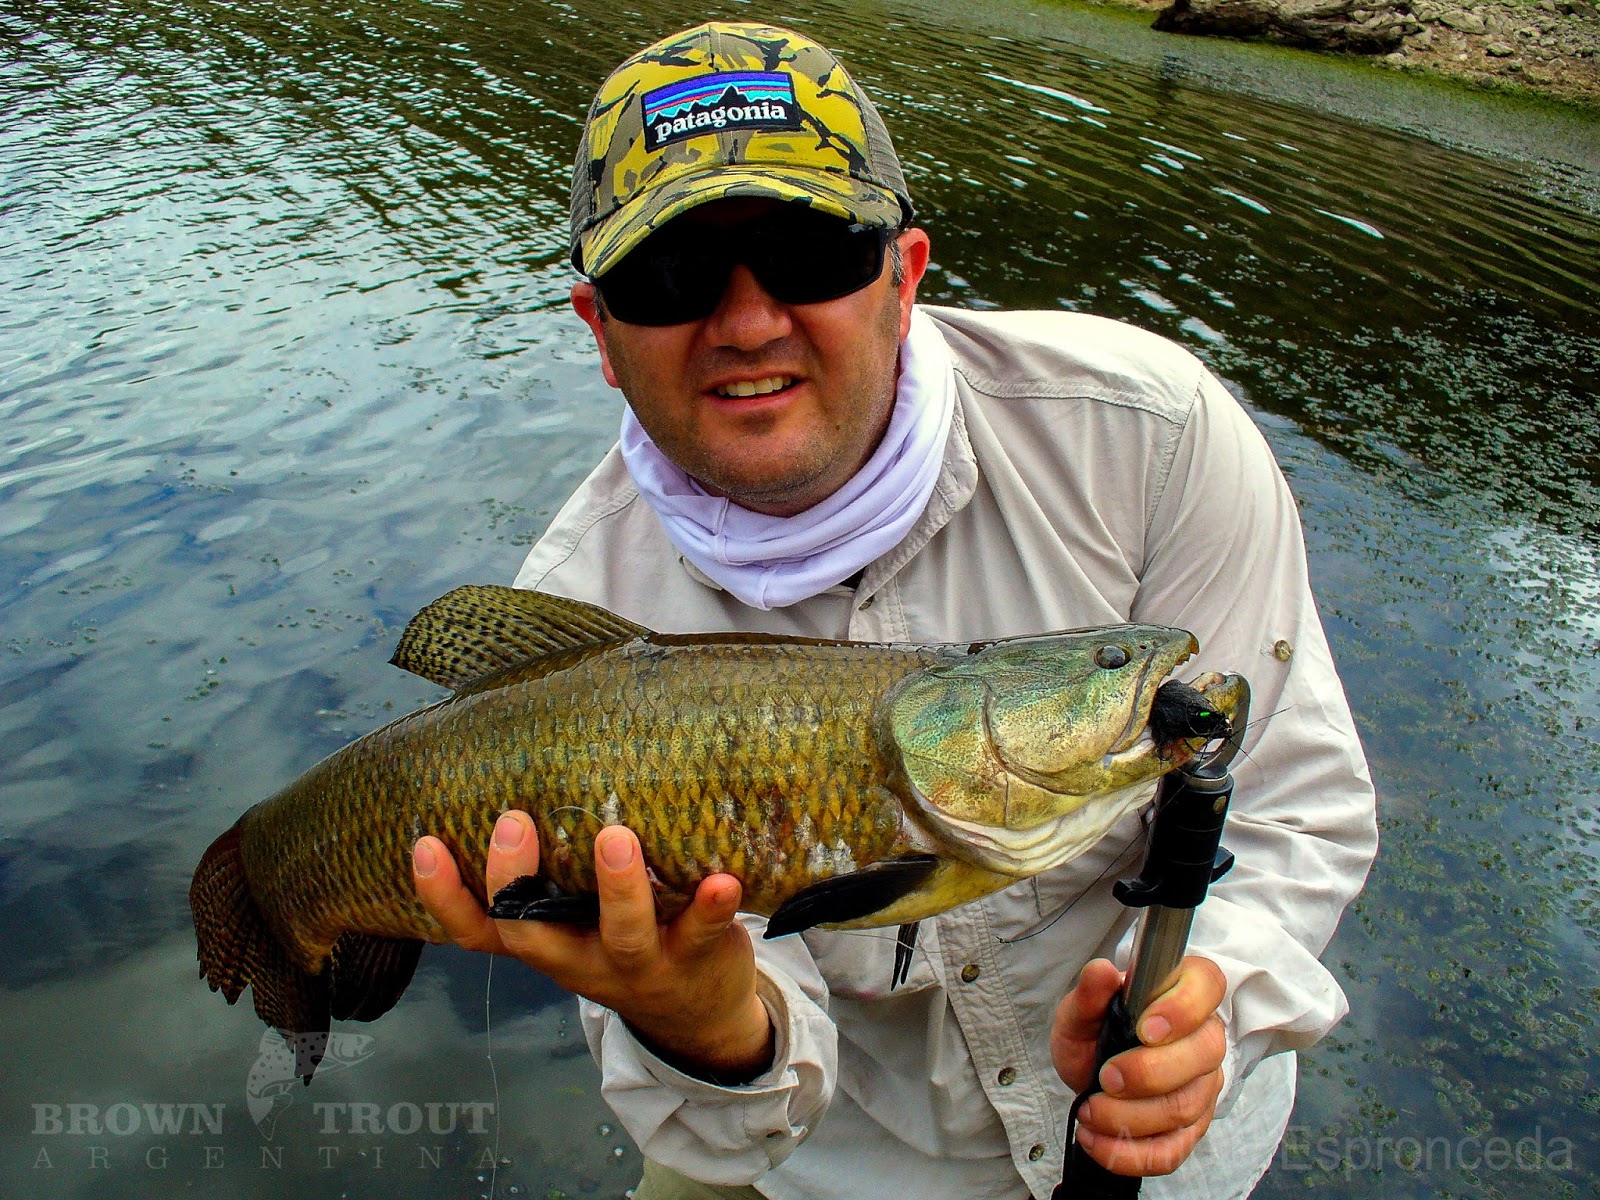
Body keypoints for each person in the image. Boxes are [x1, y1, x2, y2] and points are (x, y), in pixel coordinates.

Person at [409, 20, 1377, 1200]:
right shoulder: (580, 611)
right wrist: (705, 1020)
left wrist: (1205, 993)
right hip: (826, 1164)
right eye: (668, 279)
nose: (750, 321)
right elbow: (721, 1115)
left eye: (811, 254)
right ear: (600, 336)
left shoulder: (1152, 437)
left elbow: (1295, 807)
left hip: (1176, 1161)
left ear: (905, 277)